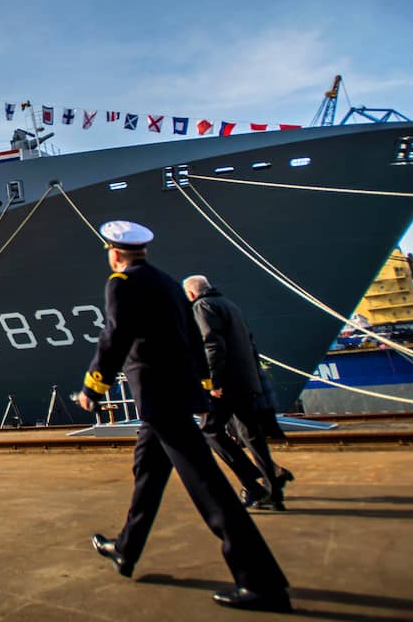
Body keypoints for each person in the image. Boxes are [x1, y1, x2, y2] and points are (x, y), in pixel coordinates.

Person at [80, 221, 291, 613]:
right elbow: (194, 340)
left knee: (209, 488)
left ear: (114, 252)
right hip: (173, 397)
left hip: (158, 399)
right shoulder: (170, 284)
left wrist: (94, 386)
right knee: (148, 472)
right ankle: (126, 548)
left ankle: (261, 581)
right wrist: (205, 384)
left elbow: (114, 338)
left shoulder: (121, 284)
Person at [182, 275, 292, 511]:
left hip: (226, 384)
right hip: (246, 382)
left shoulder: (202, 306)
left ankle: (251, 482)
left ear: (191, 294)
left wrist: (214, 381)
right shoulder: (231, 305)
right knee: (252, 436)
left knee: (210, 430)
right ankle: (274, 491)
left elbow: (212, 344)